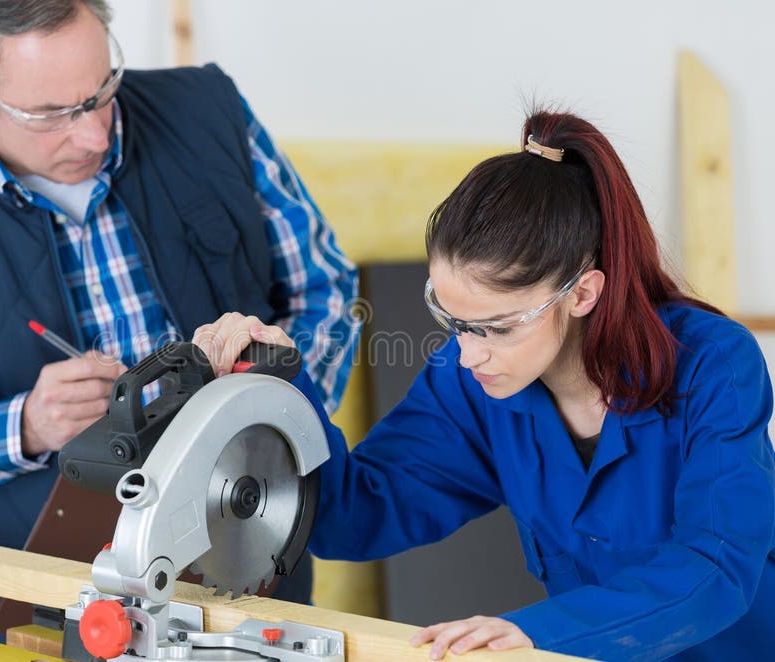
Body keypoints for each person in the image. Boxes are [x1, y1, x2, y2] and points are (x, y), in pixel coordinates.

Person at [0, 0, 359, 640]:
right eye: (52, 114)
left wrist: (271, 415)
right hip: (26, 623)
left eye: (102, 92)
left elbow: (328, 294)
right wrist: (22, 428)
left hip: (251, 586)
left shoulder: (213, 111)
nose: (95, 133)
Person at [195, 111, 775, 660]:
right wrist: (280, 386)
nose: (468, 353)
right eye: (453, 321)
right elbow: (356, 515)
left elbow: (716, 565)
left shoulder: (712, 364)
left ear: (582, 294)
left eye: (496, 327)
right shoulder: (471, 380)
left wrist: (533, 633)